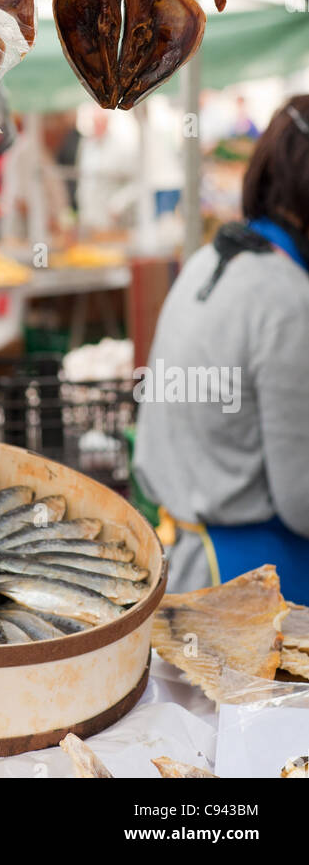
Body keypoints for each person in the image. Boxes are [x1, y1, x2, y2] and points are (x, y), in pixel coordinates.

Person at [134, 97, 309, 601]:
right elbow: (301, 501)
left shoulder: (209, 258)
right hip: (248, 586)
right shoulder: (286, 297)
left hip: (180, 566)